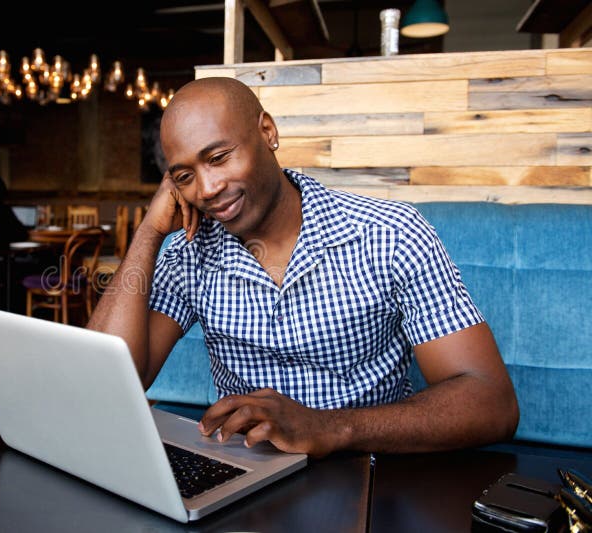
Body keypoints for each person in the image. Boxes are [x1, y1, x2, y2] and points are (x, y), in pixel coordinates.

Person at [87, 77, 519, 458]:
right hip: (245, 473)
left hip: (371, 469)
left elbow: (491, 402)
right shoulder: (190, 254)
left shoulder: (391, 235)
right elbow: (107, 385)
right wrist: (149, 232)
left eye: (219, 157)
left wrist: (330, 426)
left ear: (268, 132)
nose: (208, 188)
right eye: (185, 176)